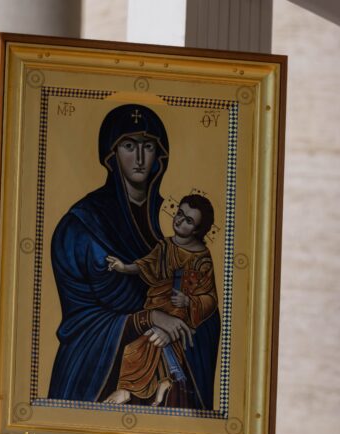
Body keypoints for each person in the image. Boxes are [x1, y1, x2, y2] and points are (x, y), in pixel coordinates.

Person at [47, 103, 220, 409]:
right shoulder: (83, 224)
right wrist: (149, 318)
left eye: (148, 147)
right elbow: (79, 321)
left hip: (173, 366)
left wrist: (181, 320)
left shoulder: (173, 220)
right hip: (99, 367)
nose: (139, 158)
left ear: (159, 155)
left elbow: (207, 306)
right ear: (111, 155)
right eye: (129, 146)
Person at [103, 194, 219, 407]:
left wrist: (189, 301)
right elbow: (146, 265)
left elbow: (210, 298)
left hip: (181, 312)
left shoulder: (202, 257)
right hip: (158, 307)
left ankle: (127, 389)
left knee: (136, 348)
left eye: (188, 220)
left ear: (197, 230)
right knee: (152, 341)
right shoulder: (165, 246)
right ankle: (164, 381)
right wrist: (124, 267)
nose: (179, 220)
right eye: (180, 214)